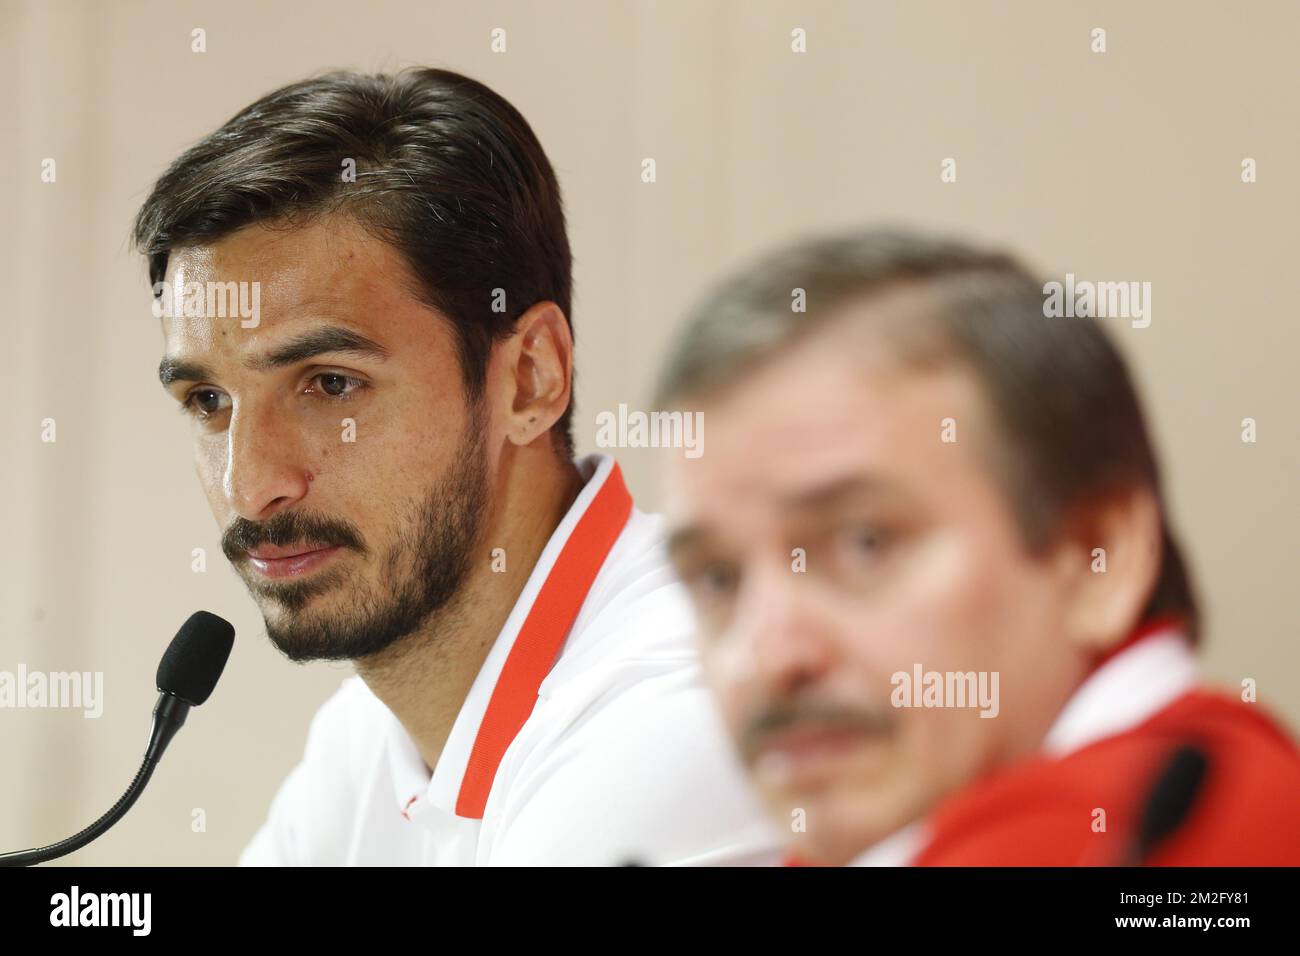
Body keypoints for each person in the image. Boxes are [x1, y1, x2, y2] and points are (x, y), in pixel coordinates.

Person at [134, 67, 777, 866]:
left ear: (530, 379)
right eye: (207, 401)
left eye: (331, 384)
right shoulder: (364, 740)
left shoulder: (680, 713)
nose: (249, 485)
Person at [653, 227, 1300, 865]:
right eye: (715, 579)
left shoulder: (1153, 838)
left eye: (864, 543)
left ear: (1097, 559)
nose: (769, 658)